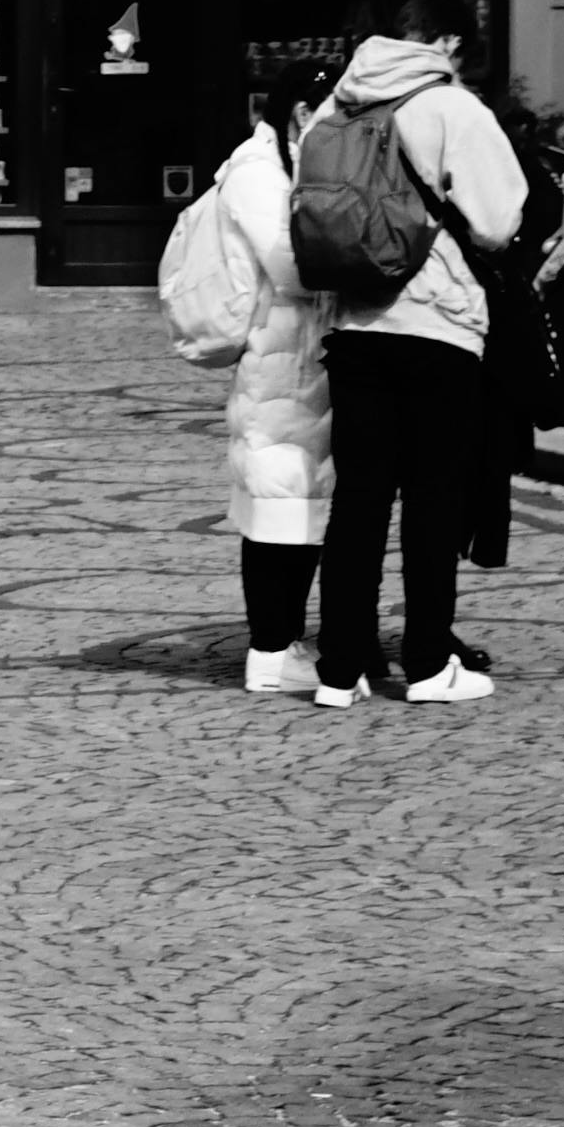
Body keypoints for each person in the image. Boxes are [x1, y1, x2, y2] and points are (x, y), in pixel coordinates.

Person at [305, 0, 529, 710]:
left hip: (356, 322)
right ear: (448, 44)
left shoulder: (337, 108)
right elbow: (498, 225)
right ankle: (430, 662)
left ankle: (341, 668)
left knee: (359, 498)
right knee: (434, 498)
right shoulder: (451, 107)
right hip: (437, 324)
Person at [160, 101, 331, 695]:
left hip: (300, 361)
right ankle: (269, 651)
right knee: (277, 502)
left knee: (299, 507)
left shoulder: (289, 163)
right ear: (302, 110)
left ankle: (284, 641)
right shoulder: (258, 172)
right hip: (277, 362)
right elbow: (292, 267)